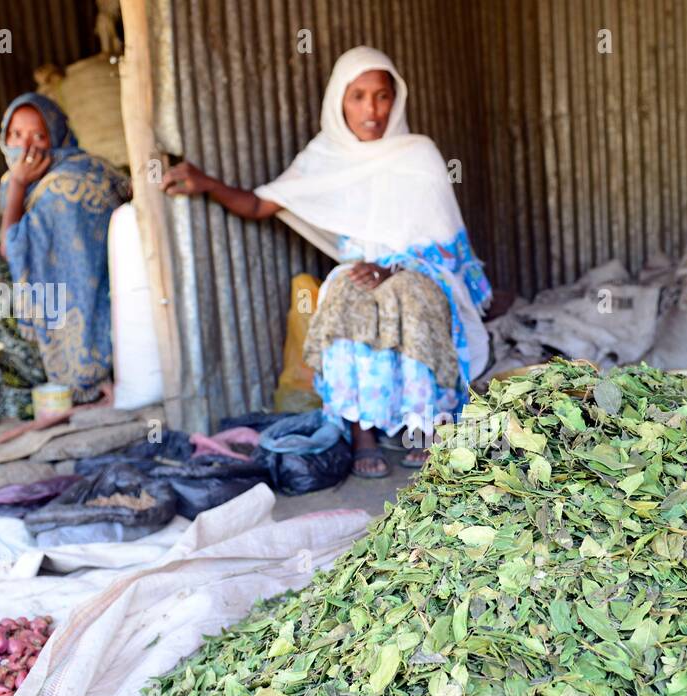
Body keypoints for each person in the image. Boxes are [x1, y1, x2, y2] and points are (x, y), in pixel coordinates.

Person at [162, 47, 491, 478]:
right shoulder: (324, 156)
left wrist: (393, 269)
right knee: (342, 296)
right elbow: (261, 203)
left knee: (410, 297)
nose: (371, 109)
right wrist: (205, 182)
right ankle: (362, 435)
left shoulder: (418, 154)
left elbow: (448, 249)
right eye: (357, 96)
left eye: (381, 95)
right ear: (339, 100)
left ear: (397, 99)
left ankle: (425, 427)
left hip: (422, 270)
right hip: (359, 269)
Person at [0, 93, 130, 404]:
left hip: (99, 308)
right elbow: (5, 244)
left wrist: (20, 186)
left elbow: (14, 248)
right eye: (16, 134)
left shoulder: (71, 181)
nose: (26, 147)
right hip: (52, 300)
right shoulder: (14, 182)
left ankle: (79, 374)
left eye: (39, 135)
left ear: (57, 136)